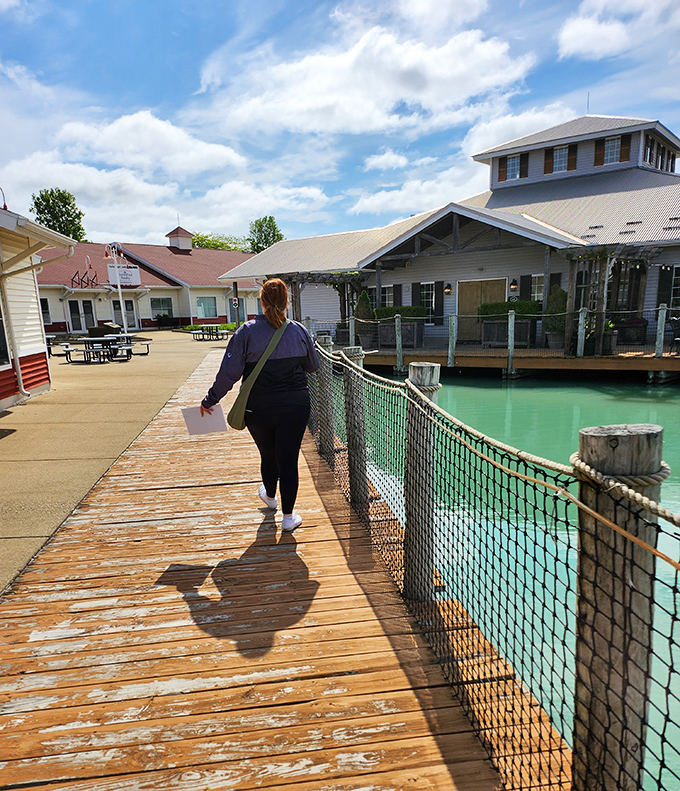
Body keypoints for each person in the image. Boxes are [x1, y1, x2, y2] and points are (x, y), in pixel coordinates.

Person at [200, 279, 320, 532]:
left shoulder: (246, 331)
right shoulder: (299, 331)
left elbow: (229, 374)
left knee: (268, 454)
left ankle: (270, 498)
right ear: (287, 301)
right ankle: (288, 518)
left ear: (262, 301)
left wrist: (210, 400)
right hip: (295, 406)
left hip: (259, 407)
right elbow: (313, 366)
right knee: (288, 459)